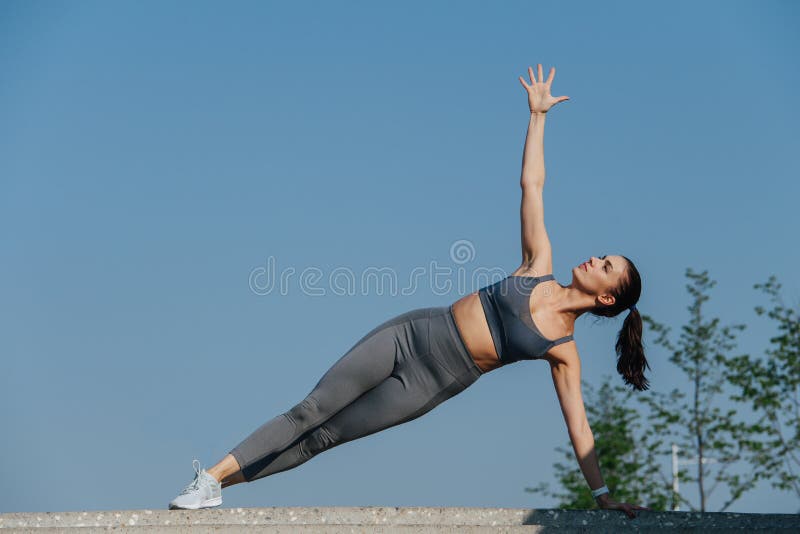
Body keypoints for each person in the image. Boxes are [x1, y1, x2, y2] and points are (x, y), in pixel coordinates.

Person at [168, 64, 651, 519]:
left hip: (430, 382)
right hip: (414, 333)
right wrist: (537, 117)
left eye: (605, 267)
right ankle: (209, 477)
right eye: (603, 255)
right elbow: (532, 184)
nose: (595, 259)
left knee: (322, 439)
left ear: (607, 298)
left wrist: (604, 498)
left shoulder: (563, 352)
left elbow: (579, 429)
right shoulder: (538, 264)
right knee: (311, 409)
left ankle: (218, 488)